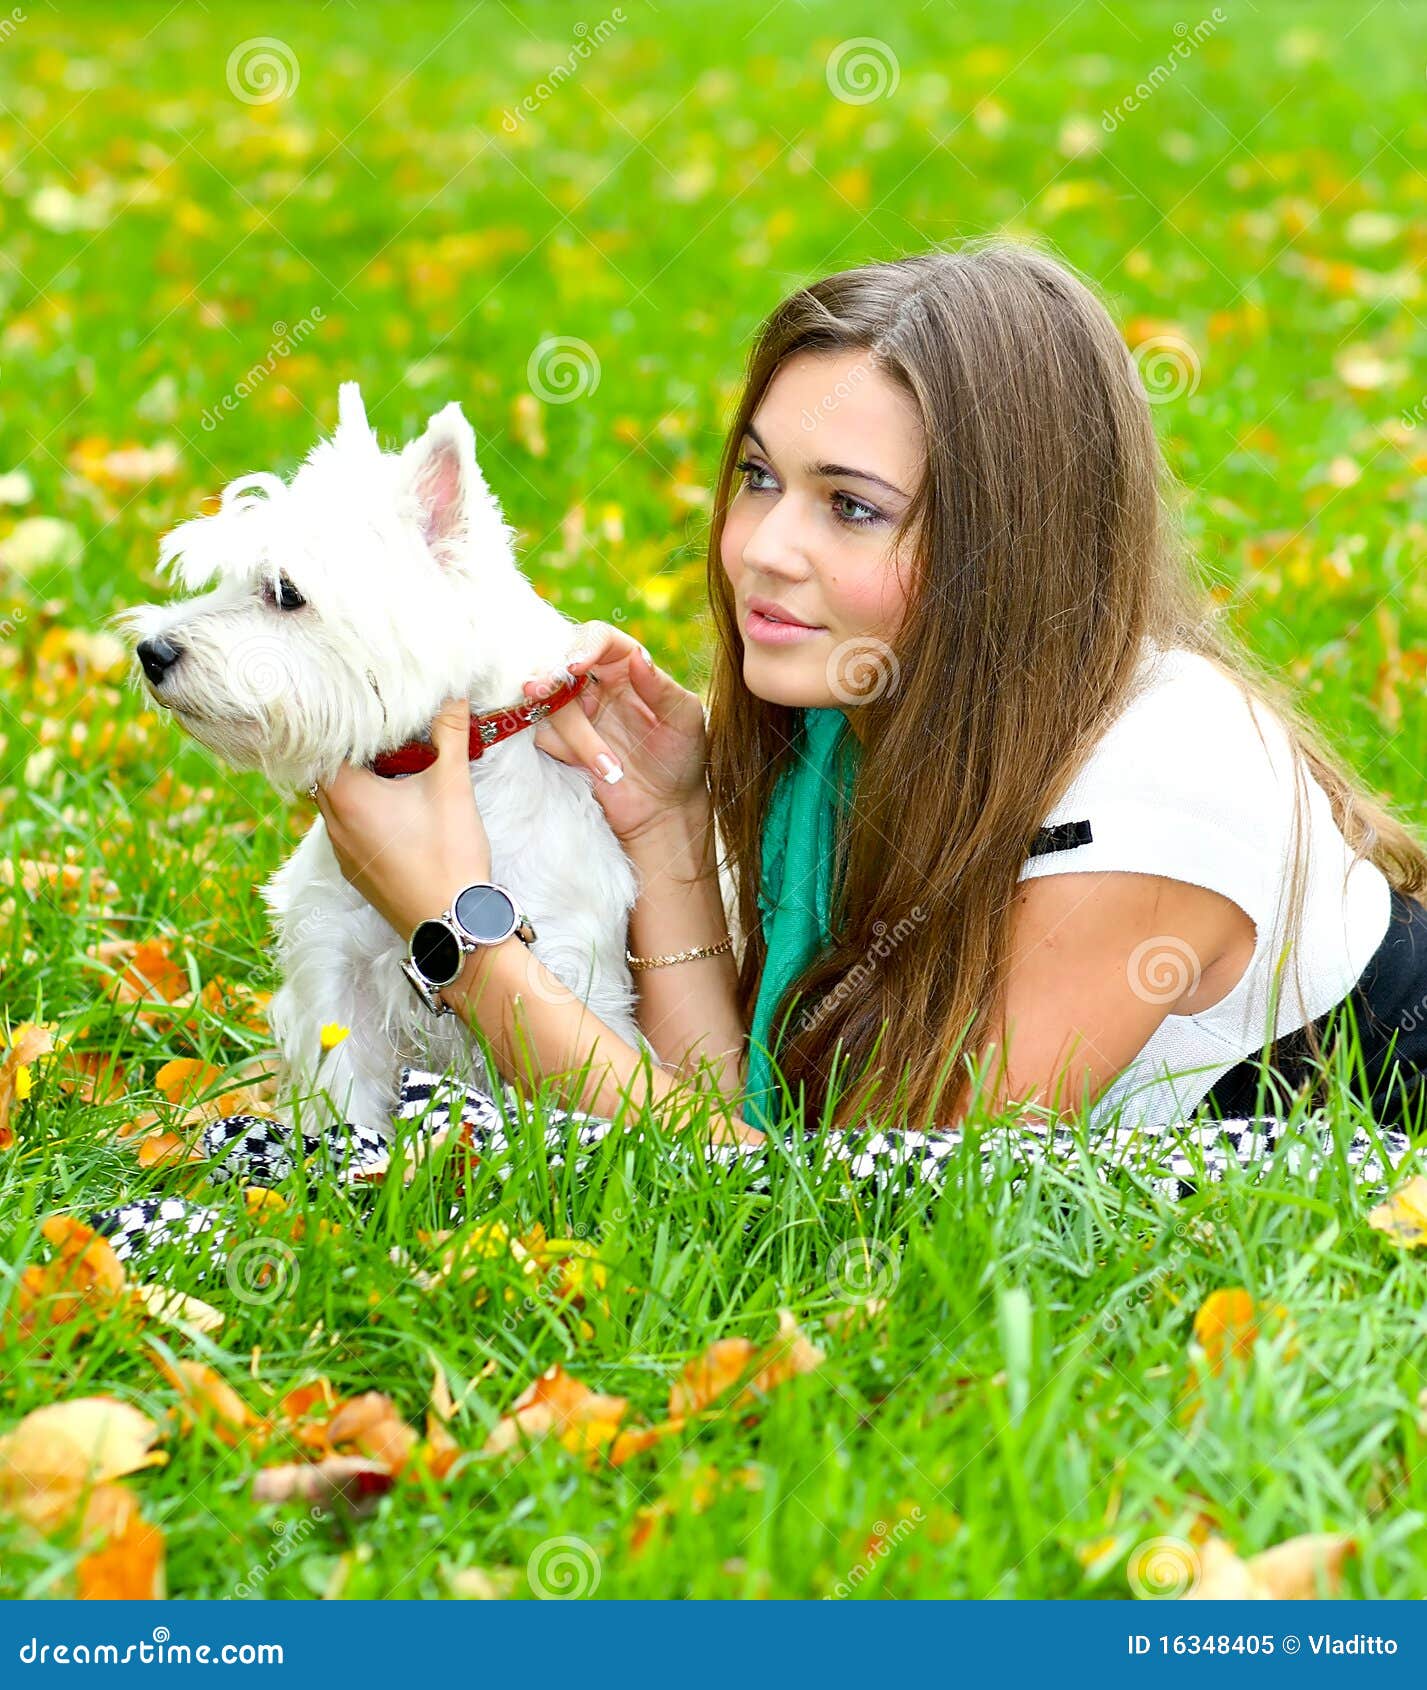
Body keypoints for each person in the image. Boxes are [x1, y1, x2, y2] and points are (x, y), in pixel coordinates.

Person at [314, 238, 1427, 1150]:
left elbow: (844, 1212)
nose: (762, 548)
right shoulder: (860, 716)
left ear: (1002, 547)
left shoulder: (1156, 788)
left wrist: (461, 939)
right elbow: (740, 1117)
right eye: (758, 477)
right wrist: (667, 826)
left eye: (848, 507)